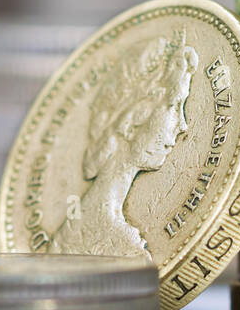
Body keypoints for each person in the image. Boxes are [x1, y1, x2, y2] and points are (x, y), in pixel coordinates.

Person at [51, 30, 199, 259]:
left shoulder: (74, 224)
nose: (183, 125)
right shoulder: (125, 249)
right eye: (174, 105)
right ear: (131, 120)